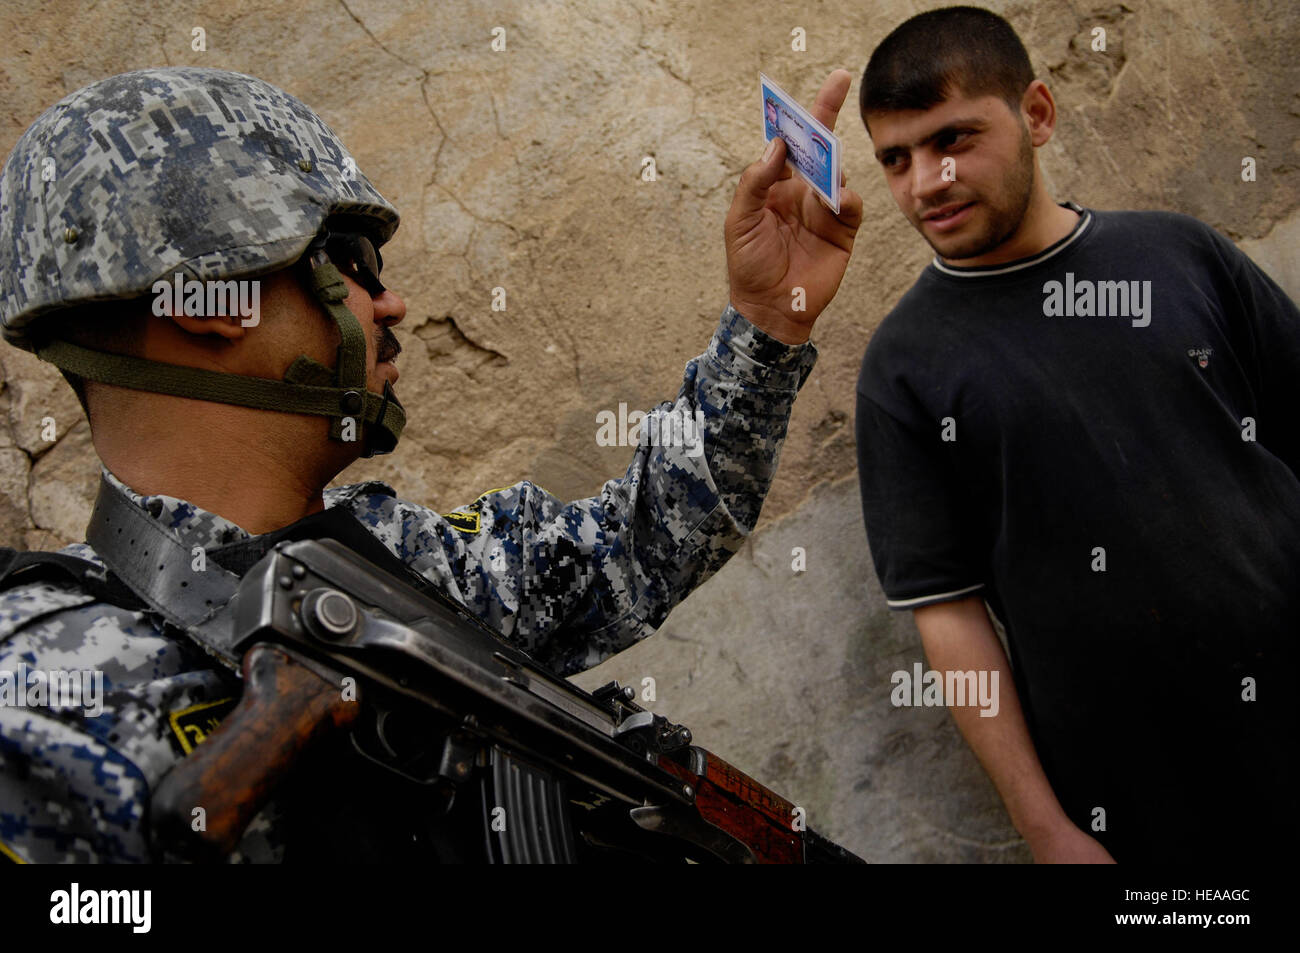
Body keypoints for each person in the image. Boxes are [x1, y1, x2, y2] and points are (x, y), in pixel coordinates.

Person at [0, 66, 863, 863]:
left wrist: (768, 317)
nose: (391, 301)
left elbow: (637, 544)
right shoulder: (41, 698)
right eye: (351, 260)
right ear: (211, 298)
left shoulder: (387, 559)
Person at [853, 6, 1298, 863]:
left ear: (1038, 116)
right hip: (1143, 799)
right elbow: (949, 615)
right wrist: (1045, 828)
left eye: (953, 138)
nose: (925, 183)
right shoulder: (903, 369)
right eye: (895, 159)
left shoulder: (1182, 254)